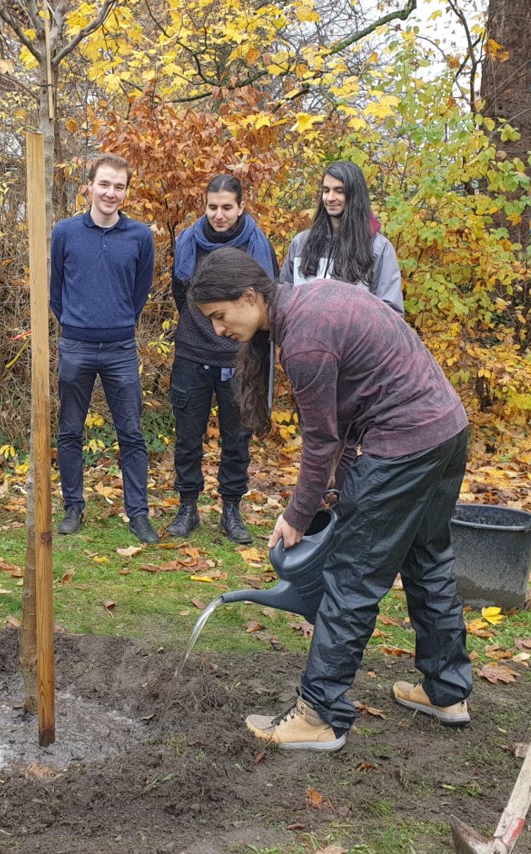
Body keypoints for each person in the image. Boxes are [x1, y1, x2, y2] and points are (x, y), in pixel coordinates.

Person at [188, 247, 472, 751]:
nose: (218, 330)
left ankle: (320, 716)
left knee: (351, 579)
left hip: (403, 445)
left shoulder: (305, 339)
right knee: (427, 559)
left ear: (250, 297)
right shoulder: (314, 300)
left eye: (220, 316)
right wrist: (336, 491)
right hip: (446, 431)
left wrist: (297, 516)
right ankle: (446, 691)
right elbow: (346, 419)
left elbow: (320, 439)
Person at [50, 153, 158, 544]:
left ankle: (138, 514)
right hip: (75, 344)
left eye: (119, 186)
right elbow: (55, 290)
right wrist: (75, 321)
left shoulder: (140, 236)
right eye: (104, 184)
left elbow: (139, 290)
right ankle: (73, 507)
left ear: (125, 191)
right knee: (70, 431)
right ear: (89, 186)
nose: (111, 193)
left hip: (120, 348)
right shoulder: (65, 232)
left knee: (130, 432)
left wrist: (118, 319)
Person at [167, 174, 278, 543]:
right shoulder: (187, 242)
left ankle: (232, 510)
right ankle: (187, 508)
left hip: (241, 358)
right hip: (192, 354)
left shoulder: (258, 247)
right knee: (187, 437)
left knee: (236, 438)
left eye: (226, 207)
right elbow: (180, 294)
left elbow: (265, 299)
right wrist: (203, 327)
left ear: (241, 207)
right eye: (212, 207)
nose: (218, 215)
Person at [281, 159, 404, 315]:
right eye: (326, 190)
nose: (330, 198)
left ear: (354, 195)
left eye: (339, 191)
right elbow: (283, 303)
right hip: (302, 339)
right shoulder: (300, 244)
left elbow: (391, 315)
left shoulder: (378, 249)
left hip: (352, 340)